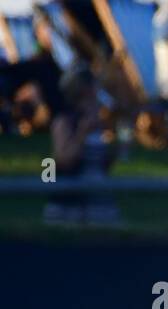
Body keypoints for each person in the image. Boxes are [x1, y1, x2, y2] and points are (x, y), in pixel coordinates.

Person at [46, 66, 118, 224]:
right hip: (71, 204)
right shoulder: (65, 122)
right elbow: (63, 160)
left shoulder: (99, 122)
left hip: (100, 201)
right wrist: (82, 133)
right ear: (85, 90)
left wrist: (117, 146)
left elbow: (102, 164)